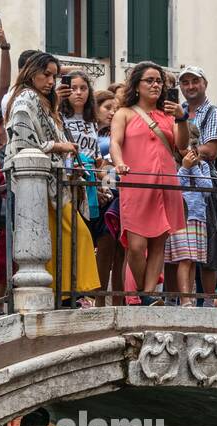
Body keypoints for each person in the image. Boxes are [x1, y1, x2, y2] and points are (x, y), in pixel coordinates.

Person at [3, 53, 100, 300]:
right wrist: (60, 147)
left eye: (53, 75)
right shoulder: (25, 101)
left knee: (64, 237)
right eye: (46, 74)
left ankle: (69, 293)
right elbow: (22, 144)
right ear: (31, 72)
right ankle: (73, 293)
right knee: (75, 234)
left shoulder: (42, 100)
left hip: (52, 182)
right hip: (37, 184)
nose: (50, 80)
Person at [111, 61, 187, 306]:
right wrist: (119, 163)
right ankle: (146, 293)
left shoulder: (168, 115)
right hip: (135, 182)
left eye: (159, 81)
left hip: (165, 182)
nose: (156, 85)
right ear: (137, 85)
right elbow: (115, 142)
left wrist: (182, 118)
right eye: (150, 80)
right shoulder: (124, 113)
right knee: (135, 245)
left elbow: (181, 145)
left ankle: (149, 295)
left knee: (158, 242)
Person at [178, 66, 217, 299]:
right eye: (185, 82)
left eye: (194, 81)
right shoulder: (180, 111)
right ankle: (179, 298)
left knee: (209, 241)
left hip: (206, 179)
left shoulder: (213, 112)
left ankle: (207, 299)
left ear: (204, 83)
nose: (190, 86)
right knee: (178, 242)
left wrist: (182, 152)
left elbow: (212, 150)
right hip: (182, 179)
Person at [164, 137, 214, 307]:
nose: (191, 149)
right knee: (184, 259)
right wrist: (185, 168)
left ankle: (188, 298)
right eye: (187, 145)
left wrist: (194, 169)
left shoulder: (203, 166)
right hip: (180, 217)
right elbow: (174, 188)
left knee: (192, 260)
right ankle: (183, 299)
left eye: (194, 145)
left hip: (198, 217)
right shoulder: (173, 163)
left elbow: (207, 190)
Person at [91, 90, 125, 307]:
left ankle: (120, 300)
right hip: (104, 195)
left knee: (121, 250)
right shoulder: (95, 136)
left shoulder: (120, 135)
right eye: (107, 108)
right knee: (105, 248)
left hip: (119, 194)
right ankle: (99, 301)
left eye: (116, 109)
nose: (112, 113)